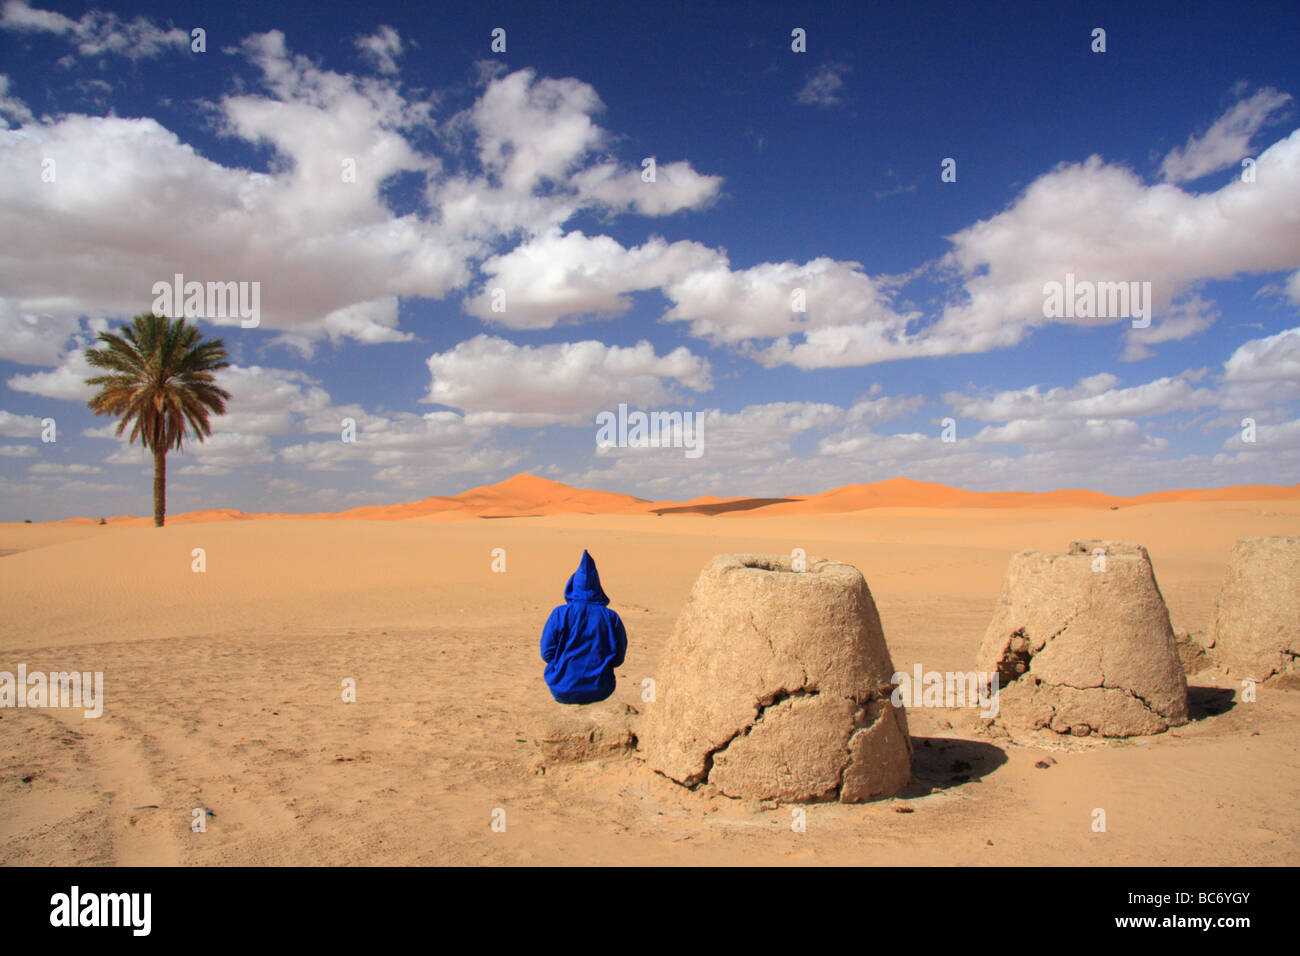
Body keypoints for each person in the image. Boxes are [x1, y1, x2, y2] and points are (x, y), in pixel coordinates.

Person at [541, 550, 627, 704]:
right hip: (601, 690)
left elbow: (546, 654)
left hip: (562, 689)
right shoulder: (611, 617)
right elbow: (618, 659)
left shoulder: (559, 614)